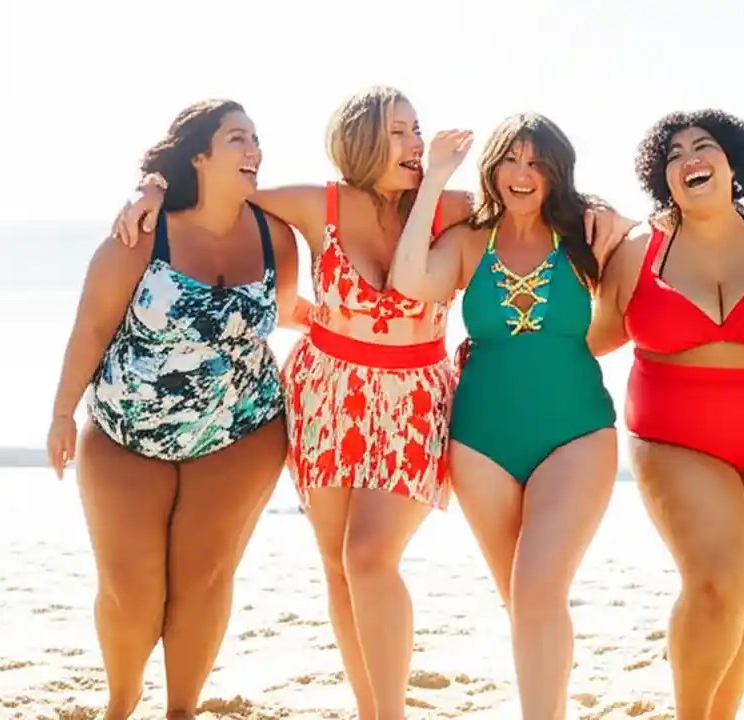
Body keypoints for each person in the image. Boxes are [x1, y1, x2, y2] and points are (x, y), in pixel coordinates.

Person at [109, 86, 473, 720]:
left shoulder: (454, 207)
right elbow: (221, 186)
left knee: (370, 557)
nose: (416, 143)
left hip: (414, 398)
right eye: (399, 132)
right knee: (338, 567)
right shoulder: (318, 204)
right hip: (325, 395)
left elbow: (540, 199)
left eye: (418, 129)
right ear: (360, 141)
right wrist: (151, 189)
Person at [46, 99, 301, 720]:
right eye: (237, 139)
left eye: (256, 139)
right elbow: (92, 327)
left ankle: (182, 711)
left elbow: (283, 314)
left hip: (241, 428)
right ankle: (122, 701)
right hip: (125, 430)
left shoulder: (276, 234)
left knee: (204, 579)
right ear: (200, 157)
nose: (254, 151)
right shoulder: (142, 231)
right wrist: (59, 414)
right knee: (133, 593)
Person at [388, 114, 632, 718]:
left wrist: (618, 224)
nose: (523, 175)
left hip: (575, 433)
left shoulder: (585, 235)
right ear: (492, 166)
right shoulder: (472, 240)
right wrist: (434, 180)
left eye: (538, 163)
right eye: (512, 160)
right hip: (479, 442)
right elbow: (410, 281)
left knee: (537, 588)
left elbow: (631, 294)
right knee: (524, 602)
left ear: (556, 174)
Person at [585, 109, 744, 719]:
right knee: (717, 584)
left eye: (704, 146)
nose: (689, 158)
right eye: (673, 154)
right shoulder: (638, 251)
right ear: (662, 178)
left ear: (732, 163)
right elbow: (591, 337)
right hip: (674, 439)